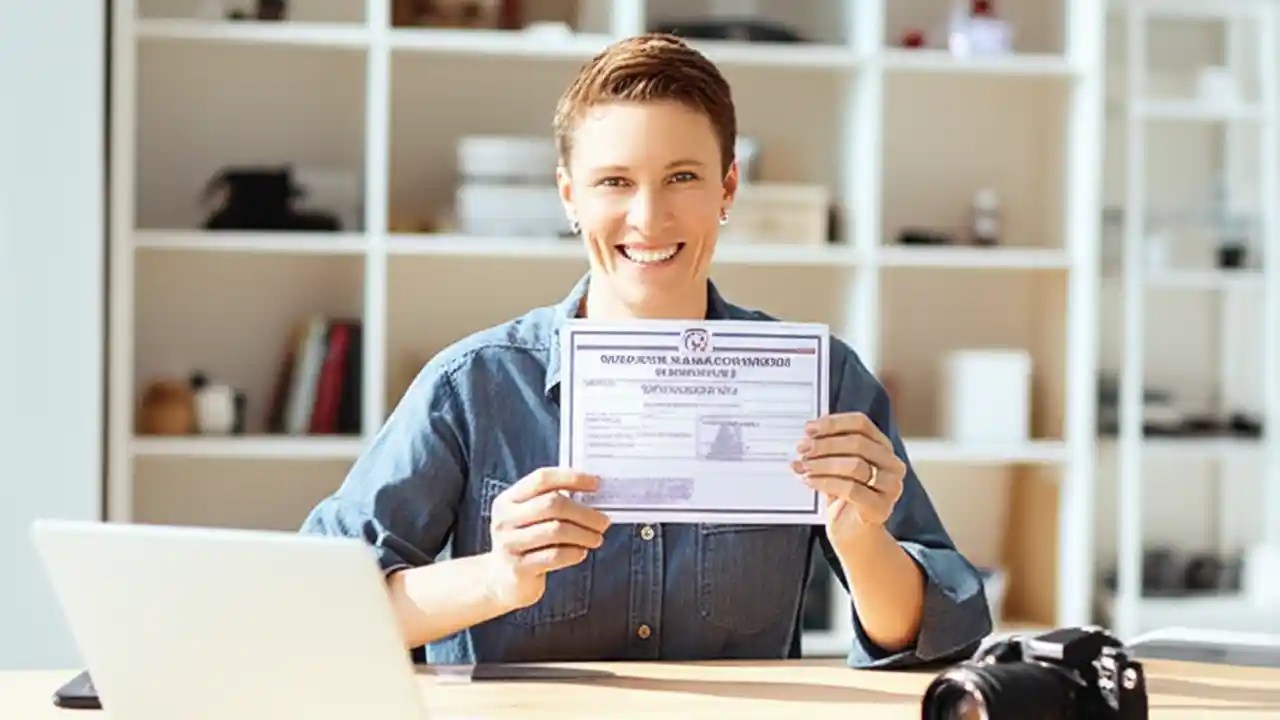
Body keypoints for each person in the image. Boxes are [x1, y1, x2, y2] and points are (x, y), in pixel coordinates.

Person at [300, 32, 992, 668]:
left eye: (683, 177)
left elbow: (935, 638)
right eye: (614, 181)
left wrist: (860, 534)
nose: (648, 217)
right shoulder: (472, 387)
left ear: (727, 189)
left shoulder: (819, 383)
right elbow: (314, 607)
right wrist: (496, 575)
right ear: (570, 197)